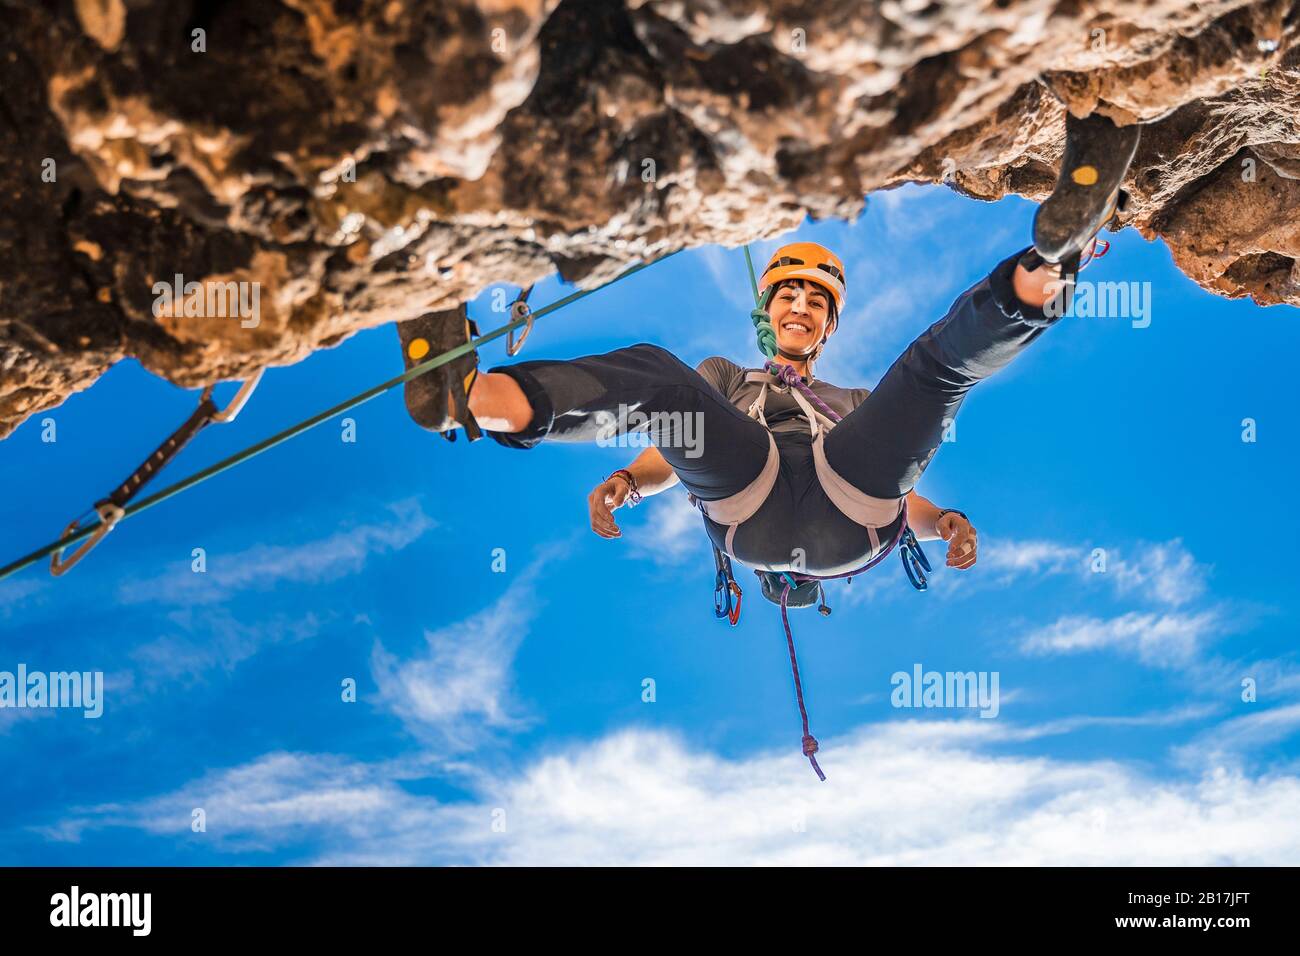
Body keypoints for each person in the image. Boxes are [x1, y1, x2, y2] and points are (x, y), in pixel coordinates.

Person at [402, 238, 1094, 585]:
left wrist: (945, 523)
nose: (800, 306)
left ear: (827, 329)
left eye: (816, 302)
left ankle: (1043, 272)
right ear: (767, 314)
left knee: (929, 377)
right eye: (788, 296)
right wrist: (628, 483)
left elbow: (896, 483)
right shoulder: (727, 377)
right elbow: (673, 440)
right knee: (665, 381)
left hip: (843, 505)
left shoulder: (850, 406)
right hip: (754, 496)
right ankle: (471, 397)